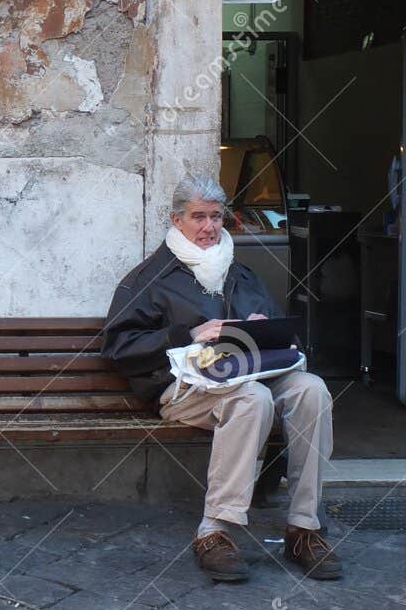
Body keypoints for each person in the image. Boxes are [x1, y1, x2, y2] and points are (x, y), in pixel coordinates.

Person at [102, 174, 341, 583]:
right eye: (198, 217)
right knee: (252, 400)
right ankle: (215, 530)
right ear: (177, 220)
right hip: (183, 389)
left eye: (215, 217)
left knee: (312, 390)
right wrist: (189, 334)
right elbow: (119, 347)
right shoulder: (150, 278)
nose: (209, 227)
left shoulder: (240, 273)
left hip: (250, 373)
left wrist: (263, 327)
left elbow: (286, 339)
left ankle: (304, 526)